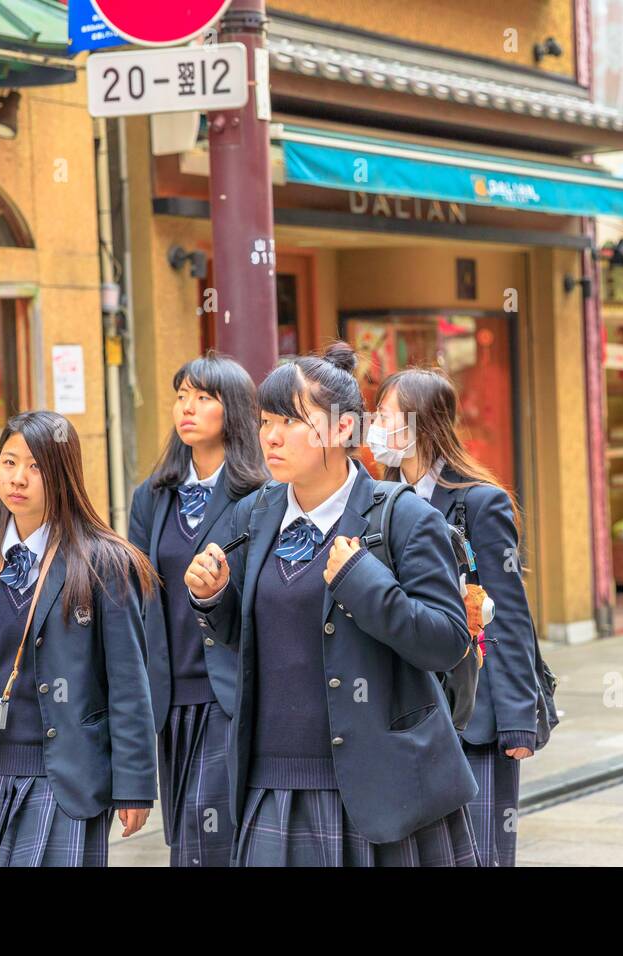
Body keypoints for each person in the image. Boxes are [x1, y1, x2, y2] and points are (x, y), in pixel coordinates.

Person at [185, 342, 479, 867]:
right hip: (270, 780)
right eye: (265, 420)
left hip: (376, 785)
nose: (270, 437)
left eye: (291, 422)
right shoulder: (256, 513)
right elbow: (258, 634)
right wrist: (211, 598)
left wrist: (363, 582)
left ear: (344, 429)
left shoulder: (402, 517)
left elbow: (447, 641)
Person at [0, 410, 158, 866]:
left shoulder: (103, 561)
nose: (18, 478)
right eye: (8, 463)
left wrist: (135, 784)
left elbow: (128, 682)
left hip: (65, 776)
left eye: (35, 466)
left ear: (61, 474)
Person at [369, 366, 543, 867]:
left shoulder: (477, 502)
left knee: (480, 846)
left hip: (475, 708)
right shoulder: (376, 502)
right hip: (406, 705)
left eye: (386, 416)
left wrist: (517, 719)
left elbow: (506, 612)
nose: (375, 428)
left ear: (423, 423)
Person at [128, 353, 267, 867]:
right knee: (188, 834)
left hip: (230, 691)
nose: (186, 408)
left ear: (232, 410)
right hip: (170, 697)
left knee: (207, 835)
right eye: (181, 395)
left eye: (203, 398)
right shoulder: (153, 496)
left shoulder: (262, 494)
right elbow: (138, 598)